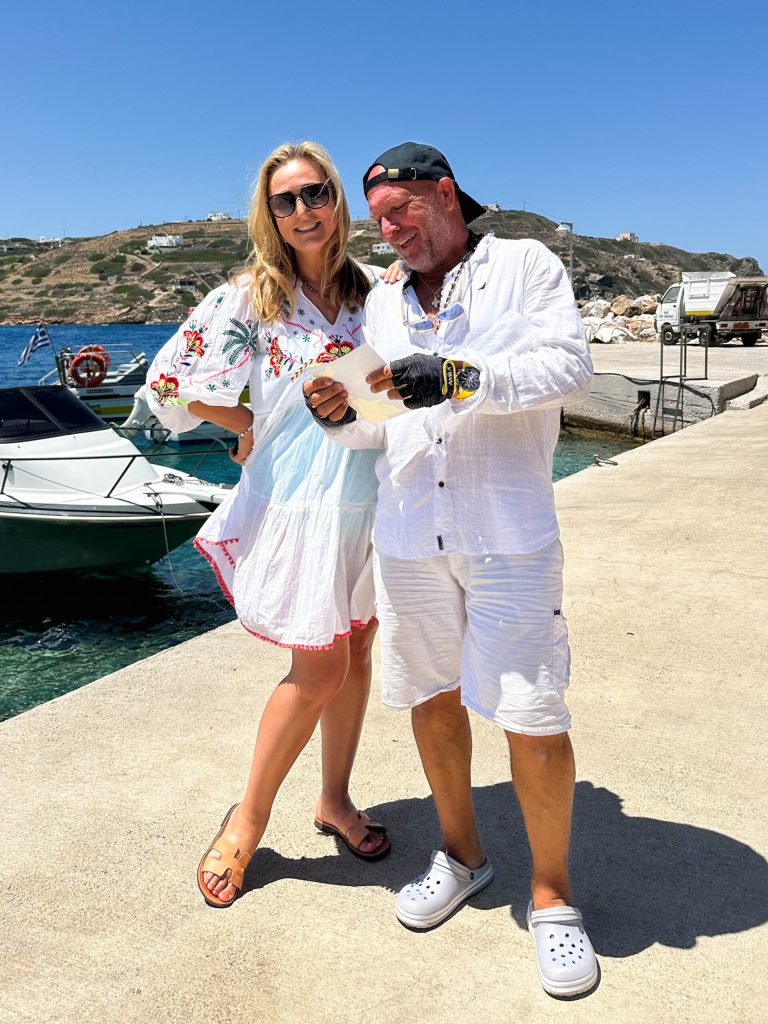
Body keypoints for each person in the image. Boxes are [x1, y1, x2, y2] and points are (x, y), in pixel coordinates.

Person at [304, 142, 598, 997]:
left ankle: (553, 899)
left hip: (509, 535)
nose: (389, 231)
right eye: (380, 220)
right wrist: (338, 413)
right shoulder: (384, 299)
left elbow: (568, 368)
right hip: (409, 536)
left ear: (445, 193)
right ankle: (463, 855)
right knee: (430, 702)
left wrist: (459, 375)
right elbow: (379, 421)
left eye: (404, 212)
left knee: (532, 712)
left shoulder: (525, 264)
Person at [146, 140, 390, 909]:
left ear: (336, 199)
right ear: (270, 214)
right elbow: (167, 383)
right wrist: (241, 416)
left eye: (314, 193)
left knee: (354, 652)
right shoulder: (252, 295)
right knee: (318, 666)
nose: (302, 211)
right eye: (285, 201)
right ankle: (247, 822)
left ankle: (335, 800)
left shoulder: (375, 293)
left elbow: (401, 383)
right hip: (301, 504)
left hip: (373, 499)